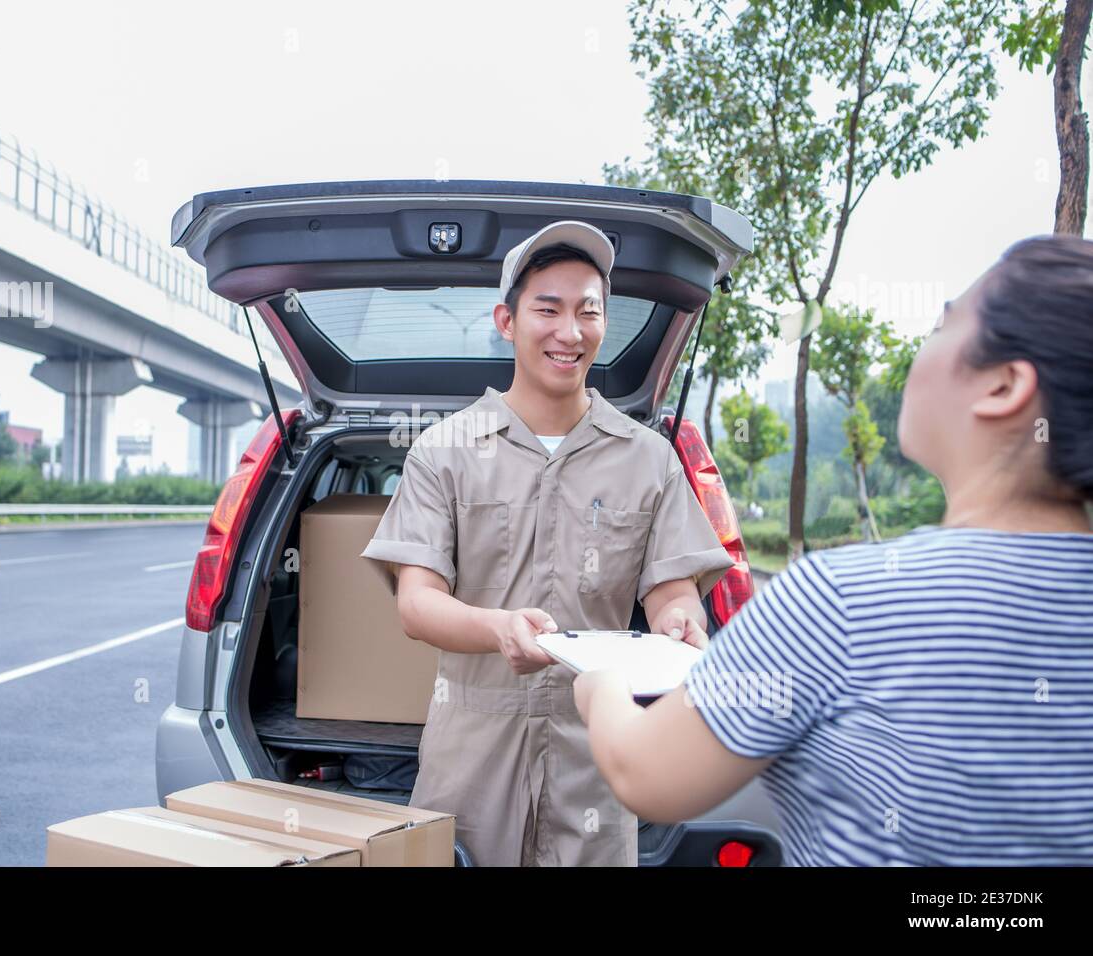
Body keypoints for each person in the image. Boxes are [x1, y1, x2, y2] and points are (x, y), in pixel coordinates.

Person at [574, 235, 1093, 865]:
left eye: (942, 324)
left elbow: (644, 774)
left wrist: (600, 681)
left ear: (1004, 386)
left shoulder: (844, 601)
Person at [359, 220, 734, 866]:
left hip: (595, 758)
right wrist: (498, 627)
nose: (570, 332)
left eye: (588, 311)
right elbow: (416, 603)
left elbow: (675, 591)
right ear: (506, 321)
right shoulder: (443, 451)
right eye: (548, 309)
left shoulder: (649, 460)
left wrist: (679, 620)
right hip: (470, 763)